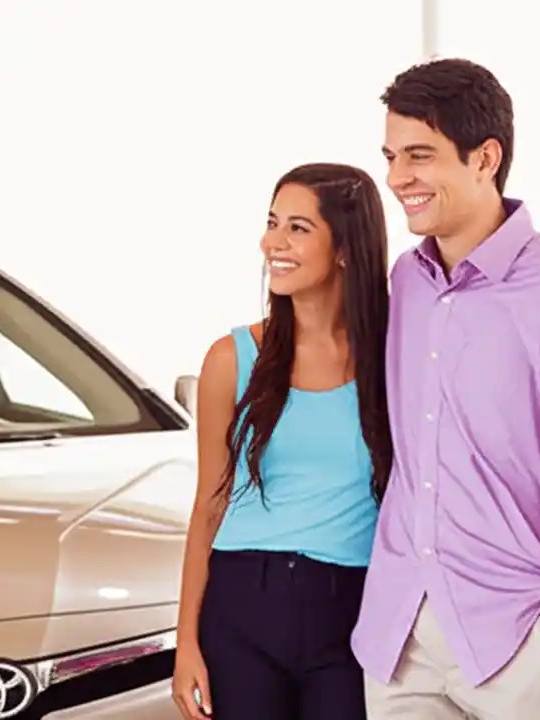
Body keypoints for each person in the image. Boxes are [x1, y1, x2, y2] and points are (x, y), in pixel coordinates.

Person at [351, 57, 540, 719]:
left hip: (518, 630)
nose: (398, 178)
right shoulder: (408, 282)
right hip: (400, 634)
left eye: (419, 156)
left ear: (485, 157)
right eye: (392, 155)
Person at [171, 163, 396, 720]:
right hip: (241, 605)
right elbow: (209, 504)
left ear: (344, 247)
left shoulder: (394, 357)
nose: (273, 242)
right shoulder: (232, 358)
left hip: (351, 610)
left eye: (297, 228)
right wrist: (185, 643)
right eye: (272, 223)